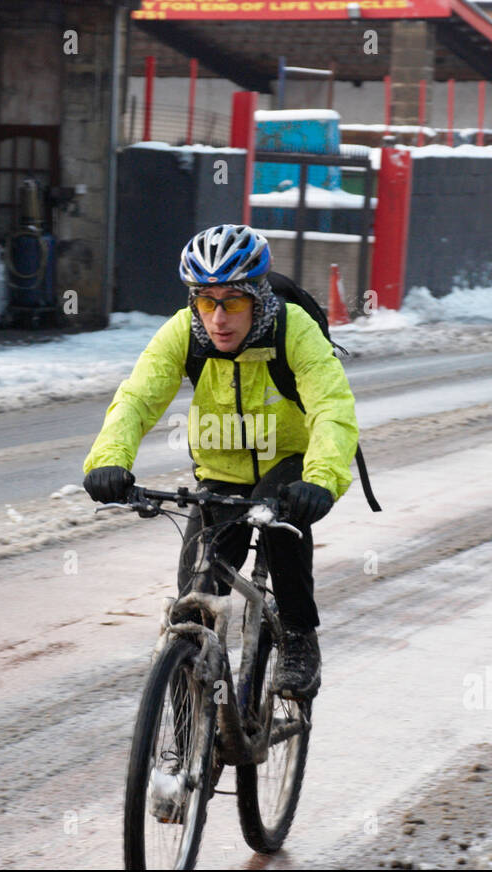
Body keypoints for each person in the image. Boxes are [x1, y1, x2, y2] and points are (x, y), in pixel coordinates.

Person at [82, 224, 360, 701]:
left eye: (232, 301)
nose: (218, 318)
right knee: (192, 611)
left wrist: (322, 480)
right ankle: (188, 752)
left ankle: (297, 637)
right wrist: (109, 460)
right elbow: (136, 399)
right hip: (221, 478)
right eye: (206, 301)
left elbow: (332, 408)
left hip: (289, 467)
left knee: (280, 523)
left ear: (258, 298)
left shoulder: (294, 330)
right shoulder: (182, 333)